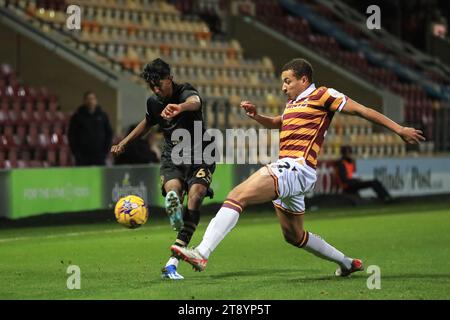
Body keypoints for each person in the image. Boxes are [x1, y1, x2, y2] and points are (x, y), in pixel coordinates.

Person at [171, 58, 425, 277]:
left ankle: (202, 253)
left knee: (237, 196)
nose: (283, 87)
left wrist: (399, 129)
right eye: (283, 82)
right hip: (293, 173)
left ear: (304, 79)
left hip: (296, 168)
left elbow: (363, 110)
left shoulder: (323, 95)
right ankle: (346, 263)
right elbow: (279, 123)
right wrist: (257, 116)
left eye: (288, 81)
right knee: (294, 236)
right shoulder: (293, 103)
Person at [110, 58, 215, 280]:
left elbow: (195, 101)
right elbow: (147, 123)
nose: (156, 90)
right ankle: (174, 208)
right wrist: (124, 143)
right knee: (174, 190)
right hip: (173, 155)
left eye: (160, 84)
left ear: (170, 79)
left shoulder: (185, 92)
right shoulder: (154, 102)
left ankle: (173, 255)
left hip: (201, 154)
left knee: (196, 195)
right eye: (152, 86)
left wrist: (181, 107)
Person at [68, 91, 113, 166]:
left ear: (96, 100)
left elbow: (109, 133)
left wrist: (105, 151)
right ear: (84, 101)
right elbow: (72, 135)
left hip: (99, 155)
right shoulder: (77, 116)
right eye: (88, 99)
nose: (90, 101)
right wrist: (76, 153)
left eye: (92, 99)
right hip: (82, 156)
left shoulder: (103, 116)